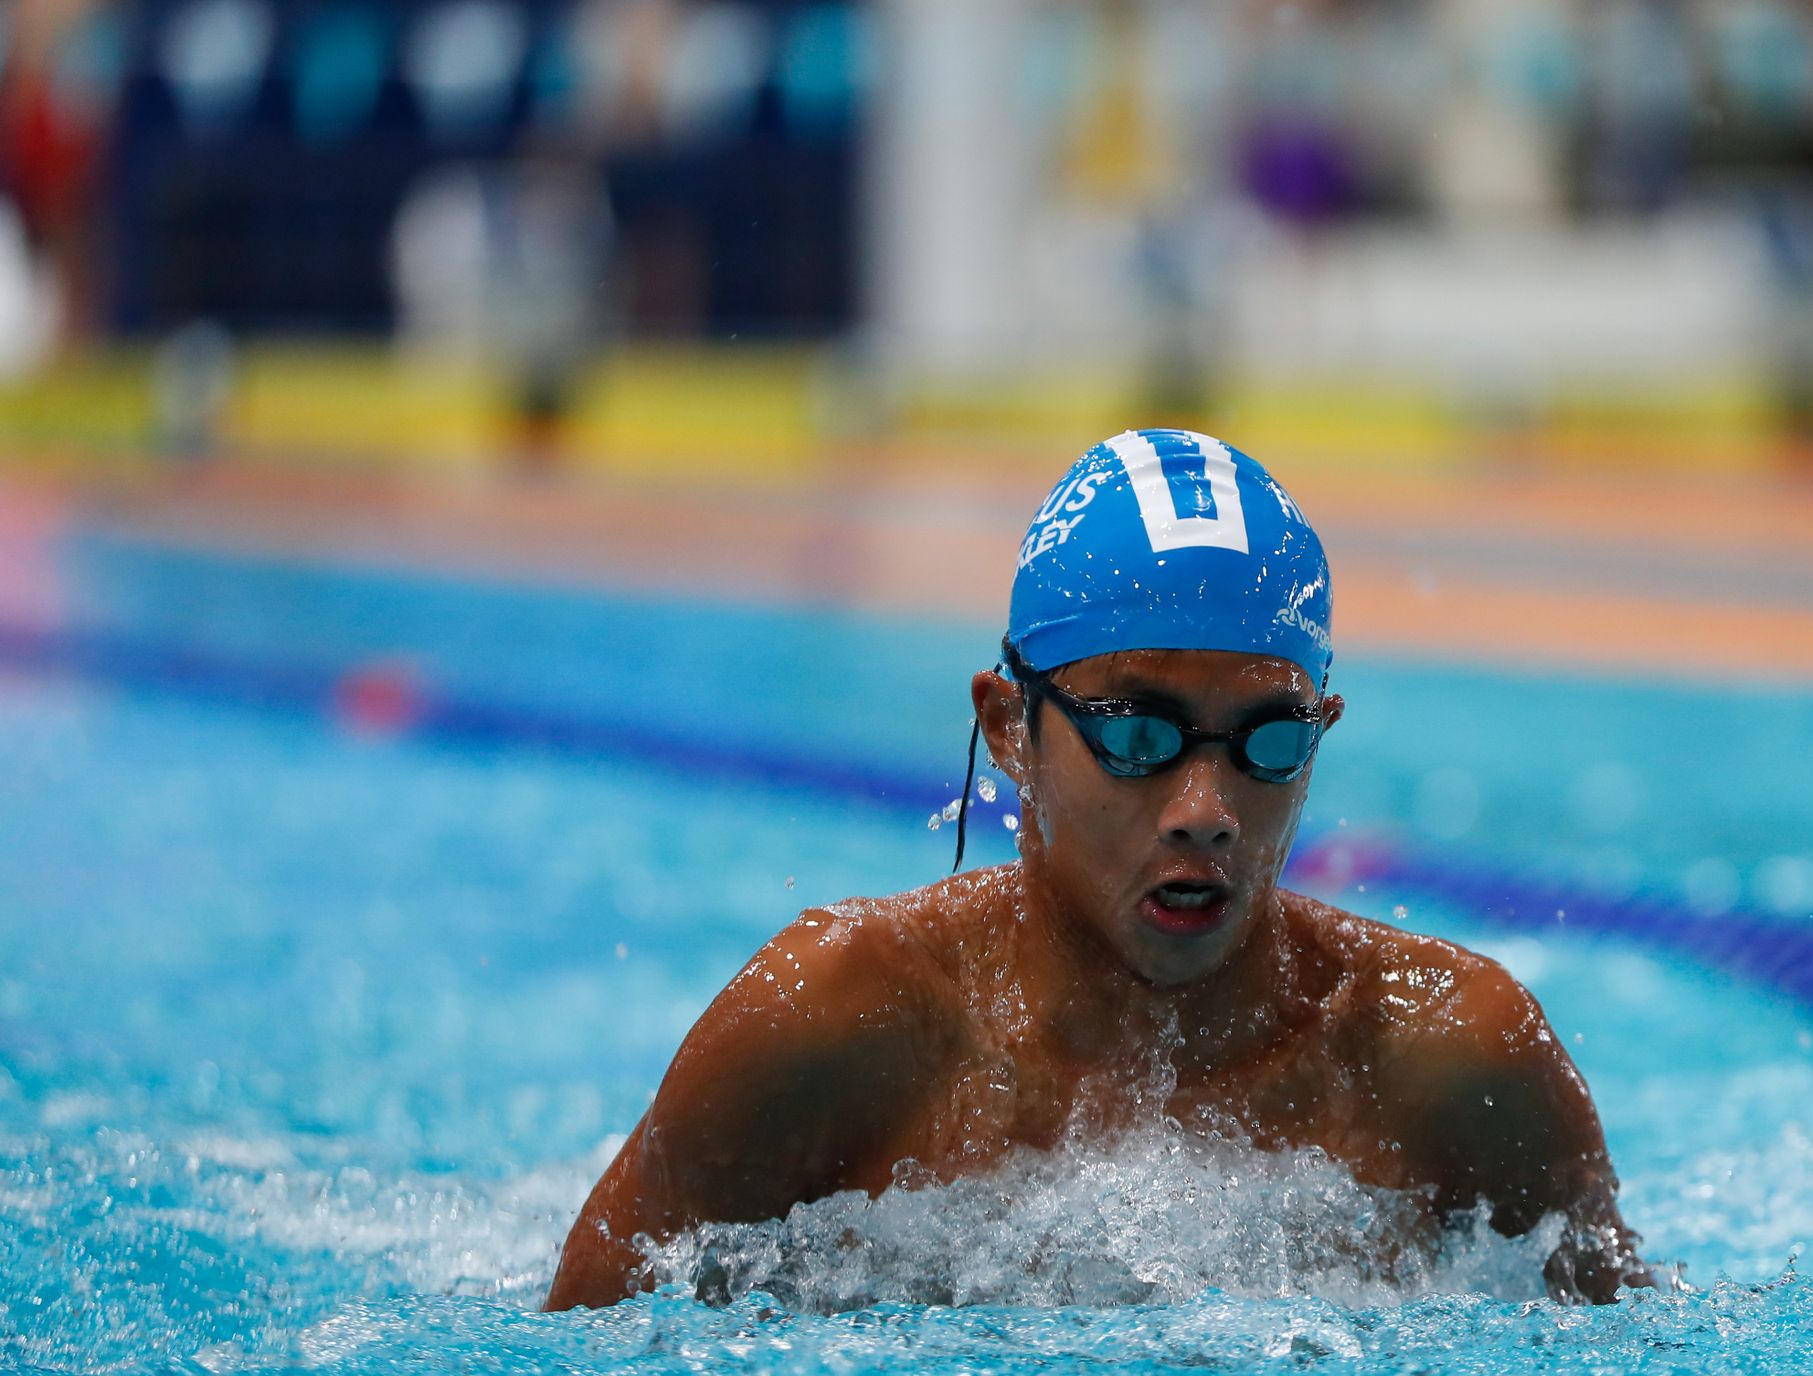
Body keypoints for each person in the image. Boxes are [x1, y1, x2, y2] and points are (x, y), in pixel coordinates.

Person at [545, 430, 1649, 1310]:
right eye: (1137, 734)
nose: (1208, 811)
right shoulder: (829, 1024)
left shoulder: (1450, 1056)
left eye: (1268, 739)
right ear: (1009, 727)